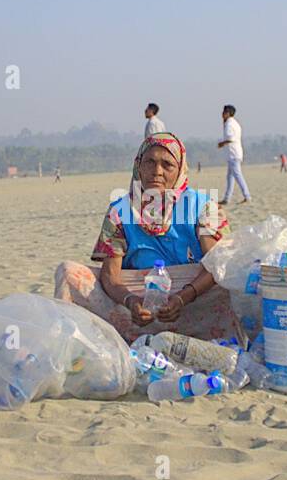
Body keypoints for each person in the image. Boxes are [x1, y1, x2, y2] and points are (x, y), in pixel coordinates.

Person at [53, 133, 236, 341]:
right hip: (135, 298)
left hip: (193, 297)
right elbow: (110, 276)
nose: (157, 172)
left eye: (167, 165)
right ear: (138, 166)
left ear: (180, 171)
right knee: (68, 273)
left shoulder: (203, 206)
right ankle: (74, 344)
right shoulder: (120, 210)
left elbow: (216, 264)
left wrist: (182, 298)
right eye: (150, 162)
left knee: (233, 278)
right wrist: (131, 301)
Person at [217, 104, 251, 205]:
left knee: (237, 175)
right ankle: (227, 198)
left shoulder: (229, 124)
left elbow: (230, 138)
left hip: (233, 154)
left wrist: (221, 143)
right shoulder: (235, 123)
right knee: (230, 177)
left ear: (227, 113)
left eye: (224, 112)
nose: (222, 114)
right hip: (235, 153)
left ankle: (247, 196)